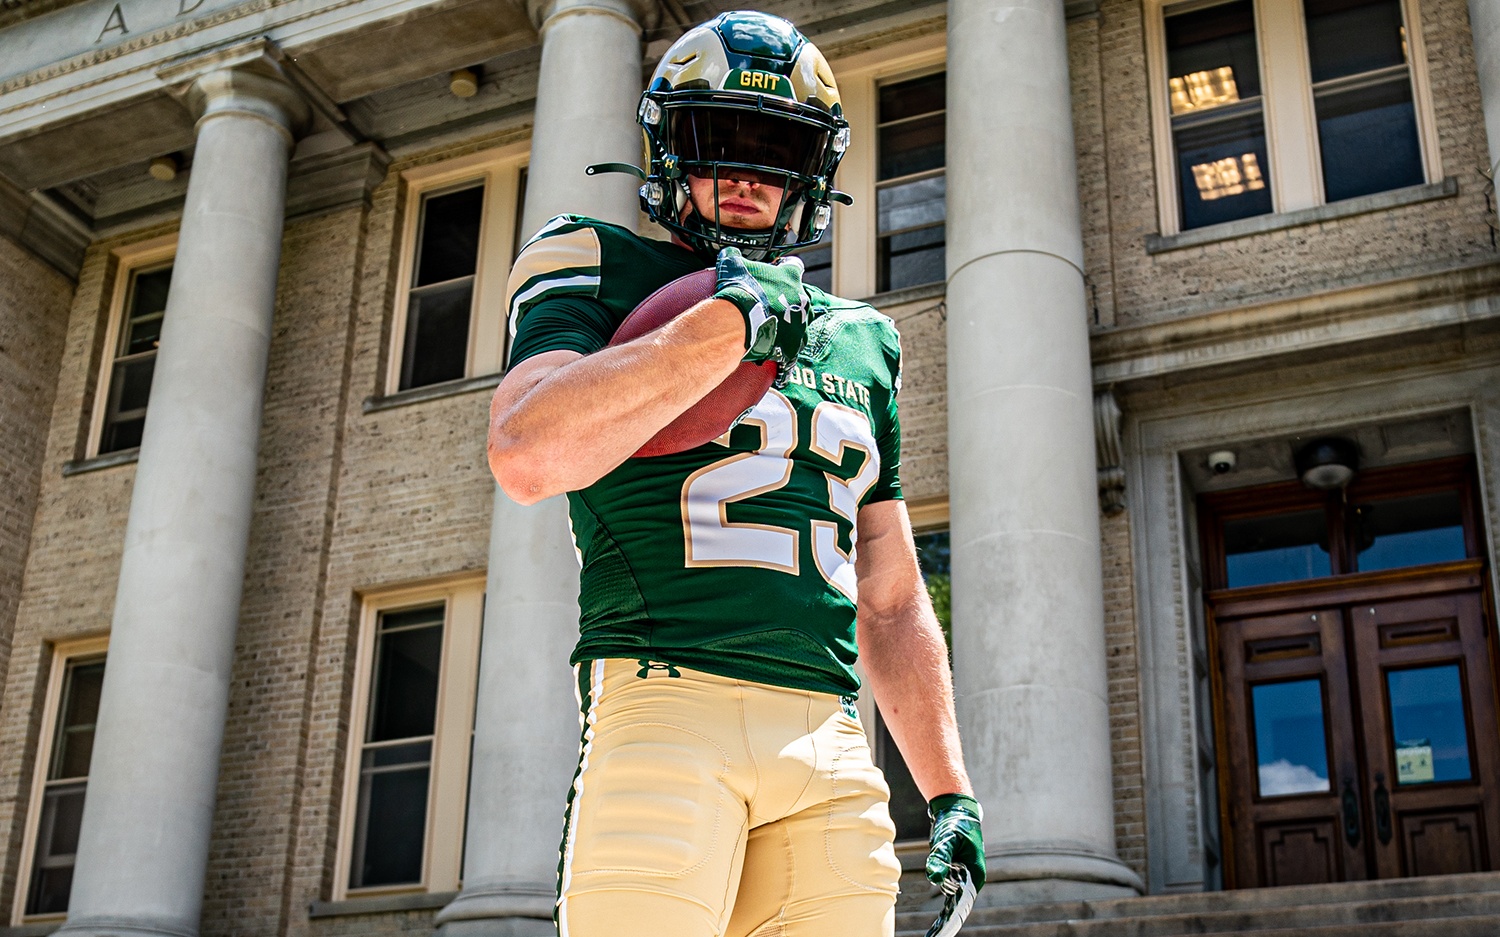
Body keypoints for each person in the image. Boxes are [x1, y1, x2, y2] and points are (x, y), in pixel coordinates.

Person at [487, 11, 984, 936]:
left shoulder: (862, 336)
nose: (752, 175)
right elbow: (525, 450)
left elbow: (889, 596)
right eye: (724, 139)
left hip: (831, 740)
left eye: (781, 148)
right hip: (664, 705)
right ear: (669, 143)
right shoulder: (594, 259)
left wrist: (948, 787)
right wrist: (719, 328)